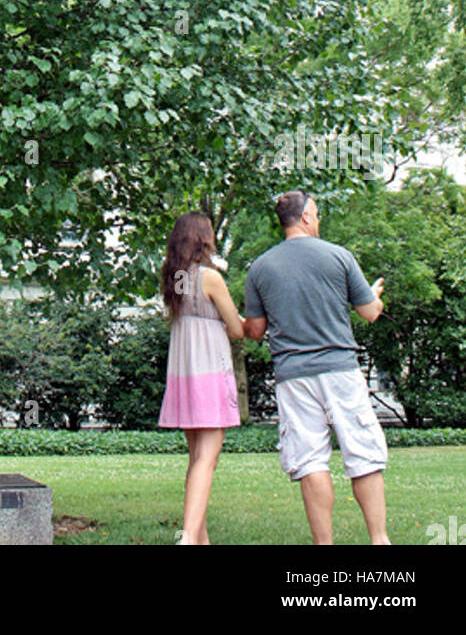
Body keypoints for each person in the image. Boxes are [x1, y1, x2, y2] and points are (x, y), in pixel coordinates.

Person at [243, 189, 390, 545]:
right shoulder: (339, 256)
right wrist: (375, 296)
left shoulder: (259, 268)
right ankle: (380, 540)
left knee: (310, 462)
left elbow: (255, 331)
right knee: (363, 453)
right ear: (306, 215)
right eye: (318, 213)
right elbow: (369, 313)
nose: (319, 220)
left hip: (293, 377)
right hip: (340, 370)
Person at [158, 210, 244, 545]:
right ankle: (189, 537)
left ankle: (199, 538)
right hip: (209, 370)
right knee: (207, 460)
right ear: (204, 239)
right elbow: (236, 329)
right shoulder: (210, 278)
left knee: (196, 461)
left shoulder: (174, 278)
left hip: (183, 374)